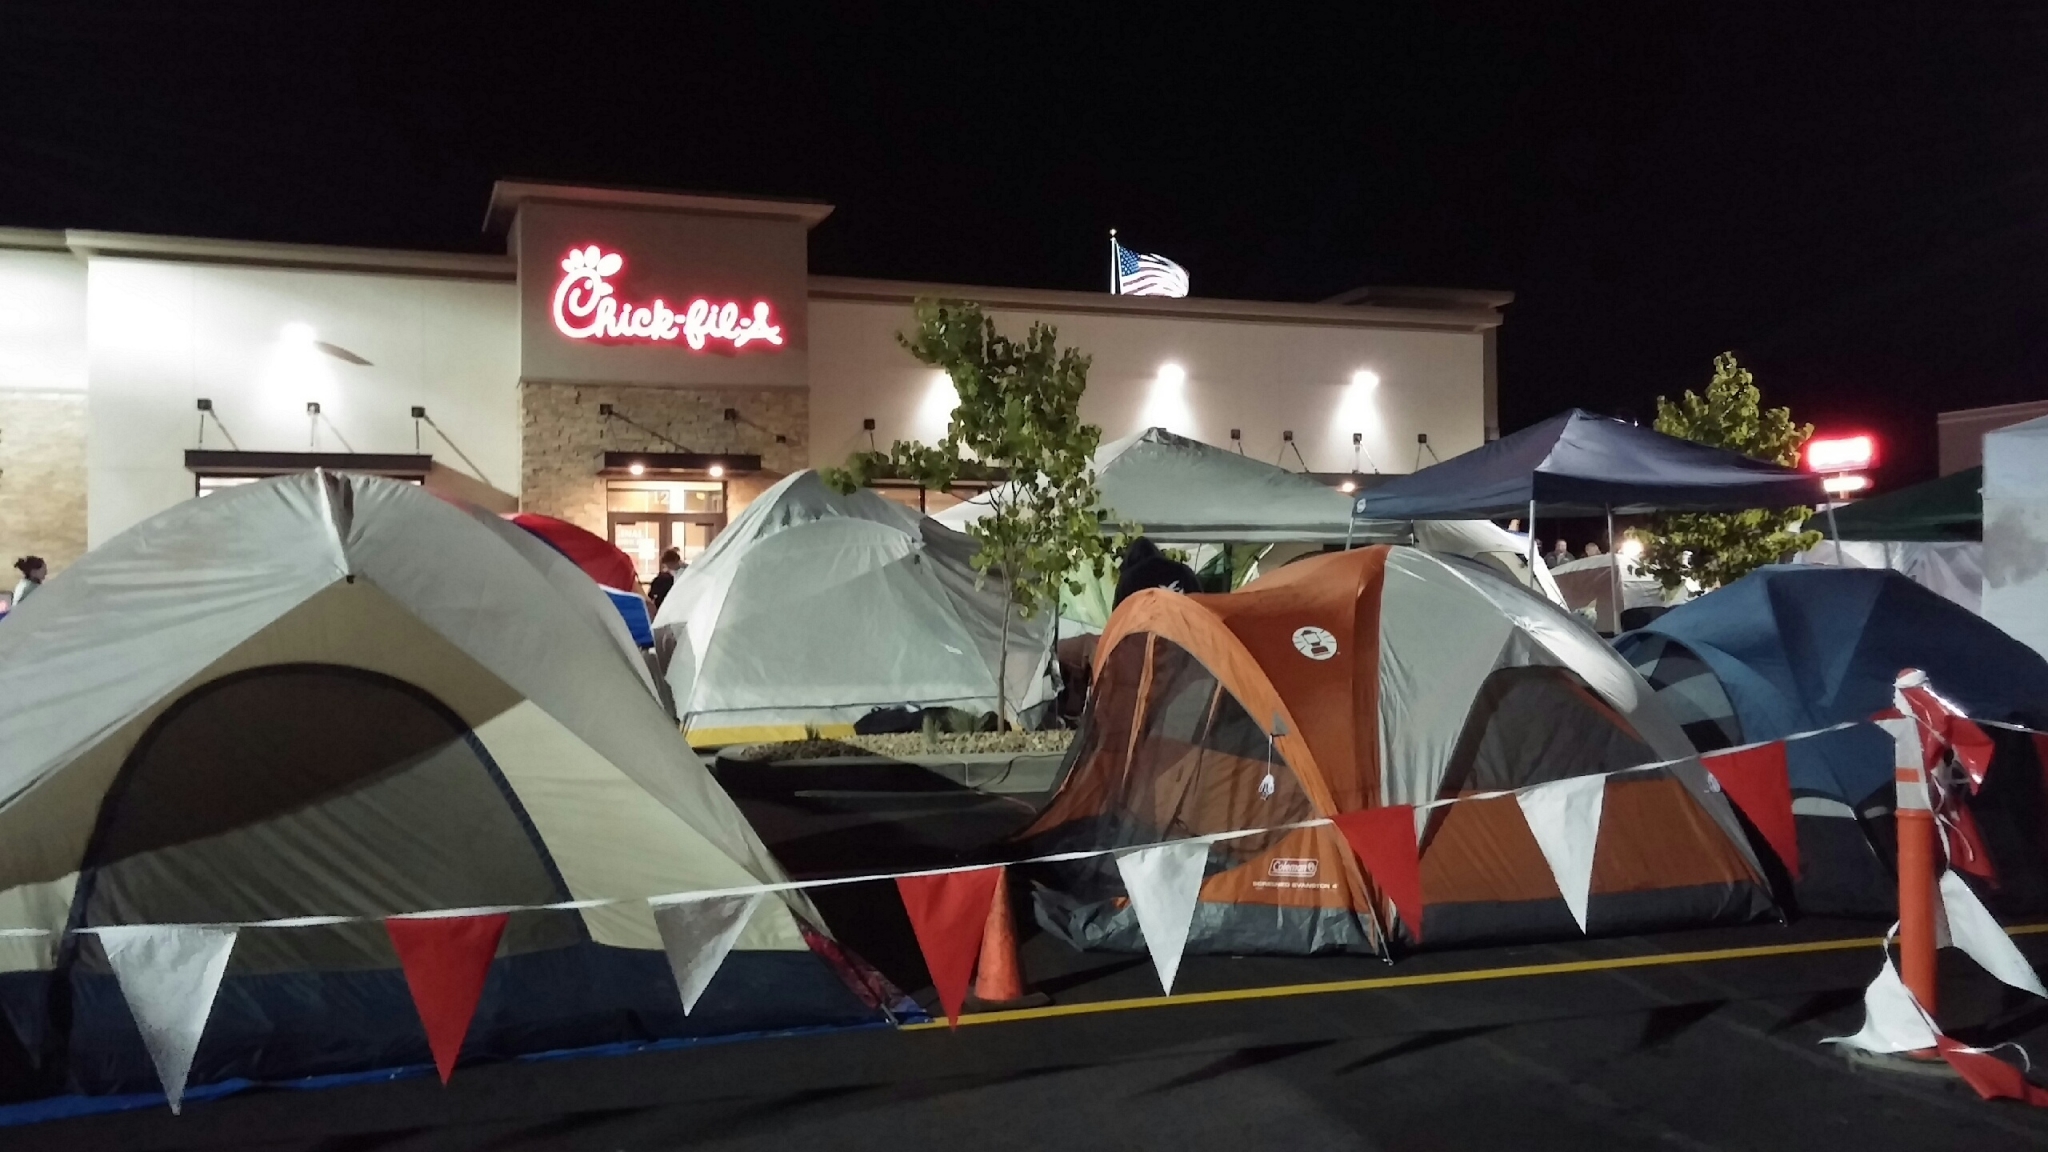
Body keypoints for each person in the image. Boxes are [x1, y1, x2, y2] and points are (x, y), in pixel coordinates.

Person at [1114, 537, 1199, 608]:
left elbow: (1117, 619)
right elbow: (1201, 603)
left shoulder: (1127, 581)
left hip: (1142, 626)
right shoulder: (1183, 571)